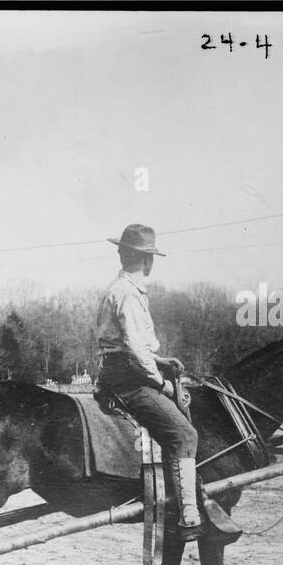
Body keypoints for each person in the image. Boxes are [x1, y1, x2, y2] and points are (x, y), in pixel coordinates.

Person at [95, 224, 208, 538]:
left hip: (123, 369)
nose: (149, 262)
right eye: (148, 256)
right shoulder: (128, 293)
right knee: (185, 435)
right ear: (145, 260)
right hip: (128, 379)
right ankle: (188, 515)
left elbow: (129, 344)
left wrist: (160, 360)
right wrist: (161, 382)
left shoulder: (123, 288)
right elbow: (133, 351)